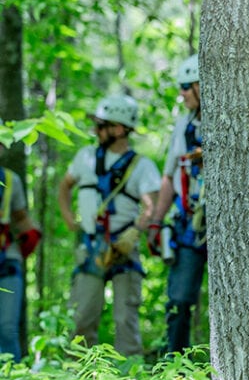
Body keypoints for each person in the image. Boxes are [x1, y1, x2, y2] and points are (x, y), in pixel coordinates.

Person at [59, 94, 161, 357]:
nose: (96, 130)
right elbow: (65, 186)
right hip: (91, 246)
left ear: (118, 129)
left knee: (125, 317)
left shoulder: (142, 166)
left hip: (123, 247)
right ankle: (78, 369)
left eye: (101, 125)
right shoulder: (85, 157)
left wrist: (134, 233)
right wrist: (69, 218)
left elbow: (151, 206)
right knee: (82, 314)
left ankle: (130, 371)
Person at [147, 54, 207, 354]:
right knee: (179, 299)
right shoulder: (183, 125)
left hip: (229, 227)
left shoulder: (235, 119)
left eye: (186, 87)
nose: (182, 94)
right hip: (190, 225)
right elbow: (169, 177)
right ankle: (175, 363)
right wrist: (156, 221)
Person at [0, 153, 42, 362]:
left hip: (7, 259)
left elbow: (20, 217)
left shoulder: (9, 180)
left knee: (7, 327)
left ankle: (11, 377)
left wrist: (32, 235)